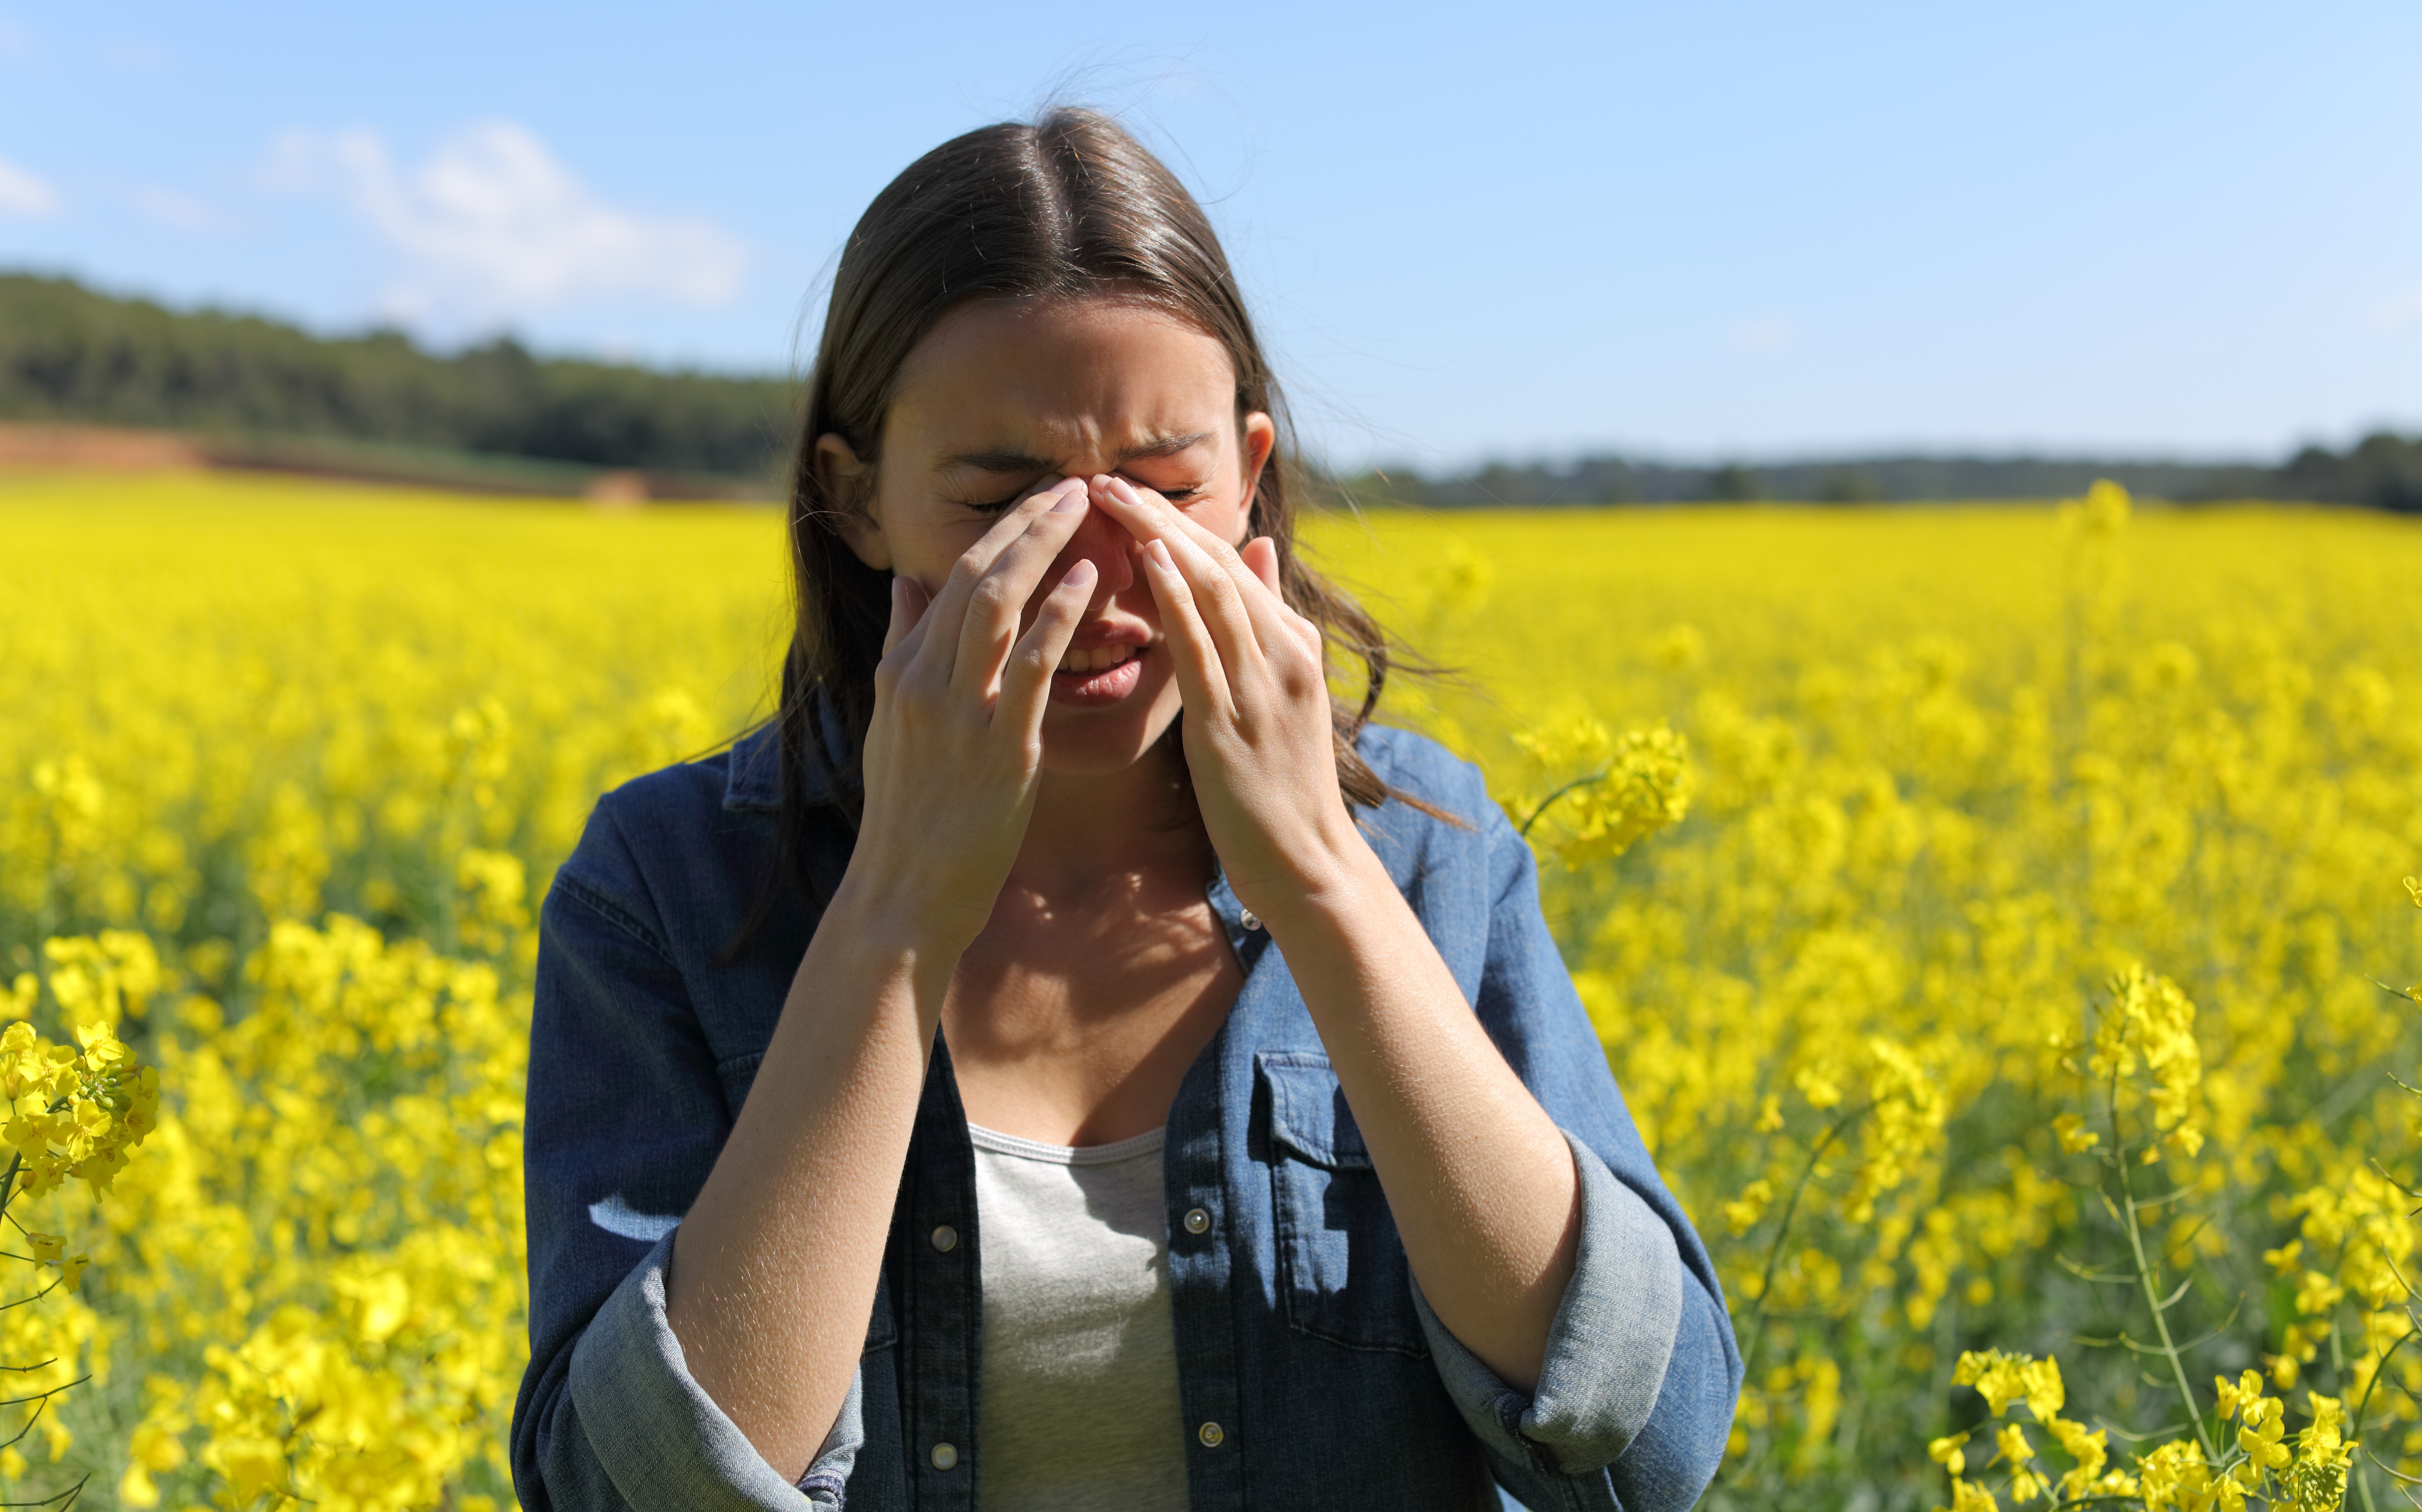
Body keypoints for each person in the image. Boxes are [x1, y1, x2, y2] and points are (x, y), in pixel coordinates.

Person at [510, 107, 1740, 1512]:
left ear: (1252, 478)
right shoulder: (667, 887)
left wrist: (1322, 880)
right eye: (1005, 503)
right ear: (856, 501)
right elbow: (628, 1496)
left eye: (1164, 491)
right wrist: (896, 917)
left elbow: (1650, 1443)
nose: (1095, 579)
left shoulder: (1428, 852)